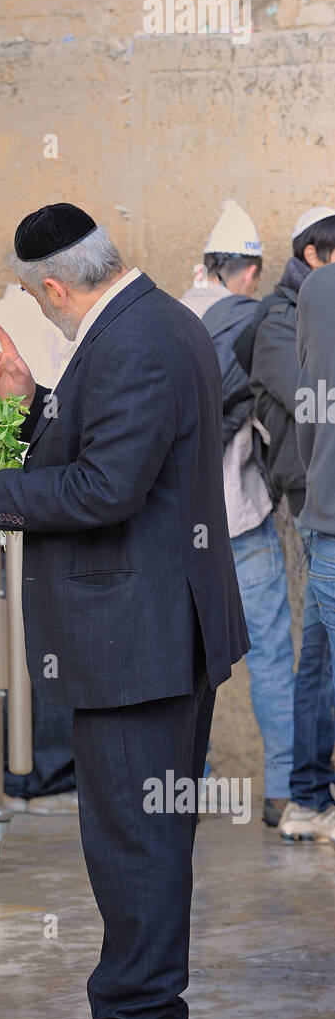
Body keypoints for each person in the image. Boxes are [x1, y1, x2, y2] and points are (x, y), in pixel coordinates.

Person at [0, 202, 248, 1019]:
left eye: (32, 298)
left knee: (136, 839)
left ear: (54, 286)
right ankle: (127, 1004)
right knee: (135, 833)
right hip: (151, 629)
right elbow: (106, 436)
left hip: (140, 638)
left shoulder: (133, 339)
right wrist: (35, 399)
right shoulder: (151, 321)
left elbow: (104, 487)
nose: (39, 310)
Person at [181, 202, 296, 828]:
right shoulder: (255, 323)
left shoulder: (167, 319)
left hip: (178, 530)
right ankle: (283, 792)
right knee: (273, 653)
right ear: (248, 270)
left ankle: (185, 794)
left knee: (185, 665)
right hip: (243, 518)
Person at [0, 289, 76, 804]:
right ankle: (43, 770)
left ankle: (20, 768)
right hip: (45, 508)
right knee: (46, 638)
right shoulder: (61, 331)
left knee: (18, 641)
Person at [246, 207, 335, 838]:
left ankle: (306, 795)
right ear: (312, 255)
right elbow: (308, 396)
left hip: (318, 496)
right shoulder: (284, 315)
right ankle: (304, 794)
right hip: (313, 497)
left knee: (319, 650)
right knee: (313, 651)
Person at [294, 259, 335, 848]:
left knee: (318, 662)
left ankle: (305, 798)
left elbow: (309, 406)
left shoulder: (320, 287)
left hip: (325, 513)